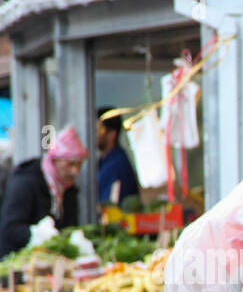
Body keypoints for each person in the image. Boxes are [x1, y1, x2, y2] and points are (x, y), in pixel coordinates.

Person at [0, 125, 87, 257]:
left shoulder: (68, 189)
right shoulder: (25, 182)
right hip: (17, 260)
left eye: (79, 165)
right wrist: (41, 235)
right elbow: (10, 228)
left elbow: (70, 227)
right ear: (55, 160)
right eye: (70, 164)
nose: (75, 171)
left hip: (51, 261)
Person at [97, 108, 140, 204]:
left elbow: (110, 206)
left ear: (112, 134)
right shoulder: (103, 161)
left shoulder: (116, 165)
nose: (93, 135)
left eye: (98, 130)